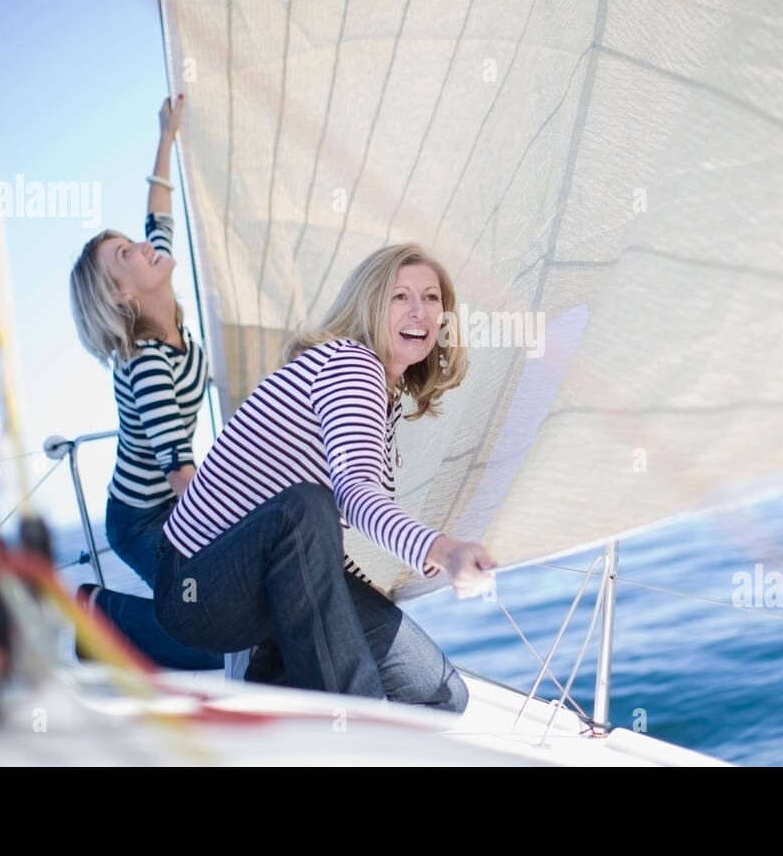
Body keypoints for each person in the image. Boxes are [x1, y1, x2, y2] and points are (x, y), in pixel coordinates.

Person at [153, 244, 495, 712]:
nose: (419, 311)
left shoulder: (381, 391)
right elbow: (351, 495)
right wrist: (444, 551)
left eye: (432, 298)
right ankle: (349, 728)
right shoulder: (351, 364)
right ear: (370, 305)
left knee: (437, 693)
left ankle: (274, 686)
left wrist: (359, 592)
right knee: (307, 504)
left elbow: (318, 538)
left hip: (269, 578)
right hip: (199, 588)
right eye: (400, 297)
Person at [67, 94, 222, 671]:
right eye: (128, 253)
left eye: (135, 242)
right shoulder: (148, 363)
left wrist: (168, 133)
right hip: (141, 519)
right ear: (123, 296)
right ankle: (97, 617)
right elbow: (180, 469)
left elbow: (161, 215)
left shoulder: (162, 301)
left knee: (226, 612)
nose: (148, 246)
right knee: (217, 640)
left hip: (169, 501)